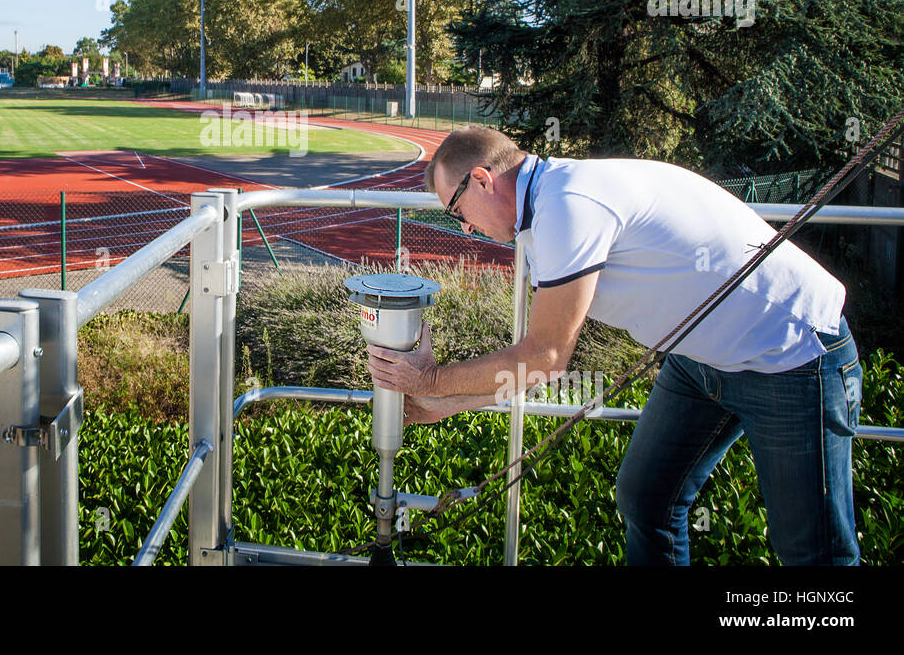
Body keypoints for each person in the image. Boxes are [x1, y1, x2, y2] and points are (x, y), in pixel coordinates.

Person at [366, 124, 862, 565]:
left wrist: (430, 381)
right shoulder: (545, 209)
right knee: (647, 499)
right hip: (703, 358)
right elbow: (545, 368)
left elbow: (545, 357)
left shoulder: (568, 205)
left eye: (457, 210)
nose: (466, 228)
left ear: (481, 179)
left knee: (812, 552)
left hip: (793, 353)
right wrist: (440, 404)